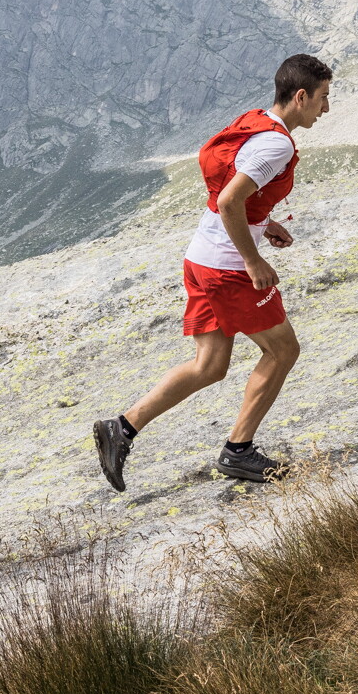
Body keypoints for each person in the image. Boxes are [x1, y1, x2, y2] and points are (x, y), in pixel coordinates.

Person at [93, 53, 332, 490]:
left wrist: (263, 223)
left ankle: (121, 429)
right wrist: (253, 259)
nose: (326, 109)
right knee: (283, 351)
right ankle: (238, 452)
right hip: (226, 269)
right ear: (301, 96)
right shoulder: (277, 143)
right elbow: (228, 202)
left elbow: (234, 194)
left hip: (200, 257)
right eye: (323, 98)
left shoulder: (255, 120)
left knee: (210, 364)